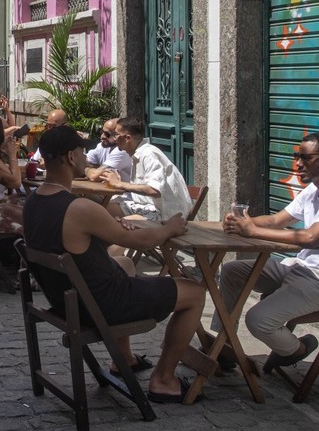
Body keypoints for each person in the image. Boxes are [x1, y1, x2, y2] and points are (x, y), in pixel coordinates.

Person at [23, 125, 207, 403]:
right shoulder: (79, 208)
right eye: (82, 153)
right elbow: (144, 242)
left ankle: (124, 359)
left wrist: (109, 227)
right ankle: (164, 380)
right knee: (195, 292)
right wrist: (169, 228)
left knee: (124, 263)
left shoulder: (33, 201)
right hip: (100, 305)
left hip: (65, 302)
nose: (86, 159)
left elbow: (79, 242)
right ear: (72, 157)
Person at [216, 131, 319, 372]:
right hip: (300, 269)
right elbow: (277, 220)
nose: (298, 163)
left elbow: (310, 237)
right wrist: (244, 222)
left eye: (305, 157)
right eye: (297, 156)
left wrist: (251, 232)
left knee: (258, 320)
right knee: (233, 271)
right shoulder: (313, 189)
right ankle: (222, 343)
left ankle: (297, 348)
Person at [101, 117, 191, 221]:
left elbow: (154, 190)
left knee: (112, 223)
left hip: (165, 215)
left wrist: (120, 184)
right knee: (101, 210)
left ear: (127, 138)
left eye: (116, 134)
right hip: (145, 208)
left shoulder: (149, 154)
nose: (114, 138)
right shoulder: (137, 154)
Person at [83, 118, 134, 182]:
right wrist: (96, 169)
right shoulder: (102, 146)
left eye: (107, 134)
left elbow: (94, 176)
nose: (102, 136)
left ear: (117, 134)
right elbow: (82, 160)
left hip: (124, 191)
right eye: (102, 132)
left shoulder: (122, 151)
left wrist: (86, 169)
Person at [26, 109, 67, 174]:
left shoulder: (72, 145)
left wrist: (47, 164)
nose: (50, 129)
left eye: (53, 126)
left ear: (65, 126)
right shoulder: (45, 144)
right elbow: (32, 163)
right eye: (48, 126)